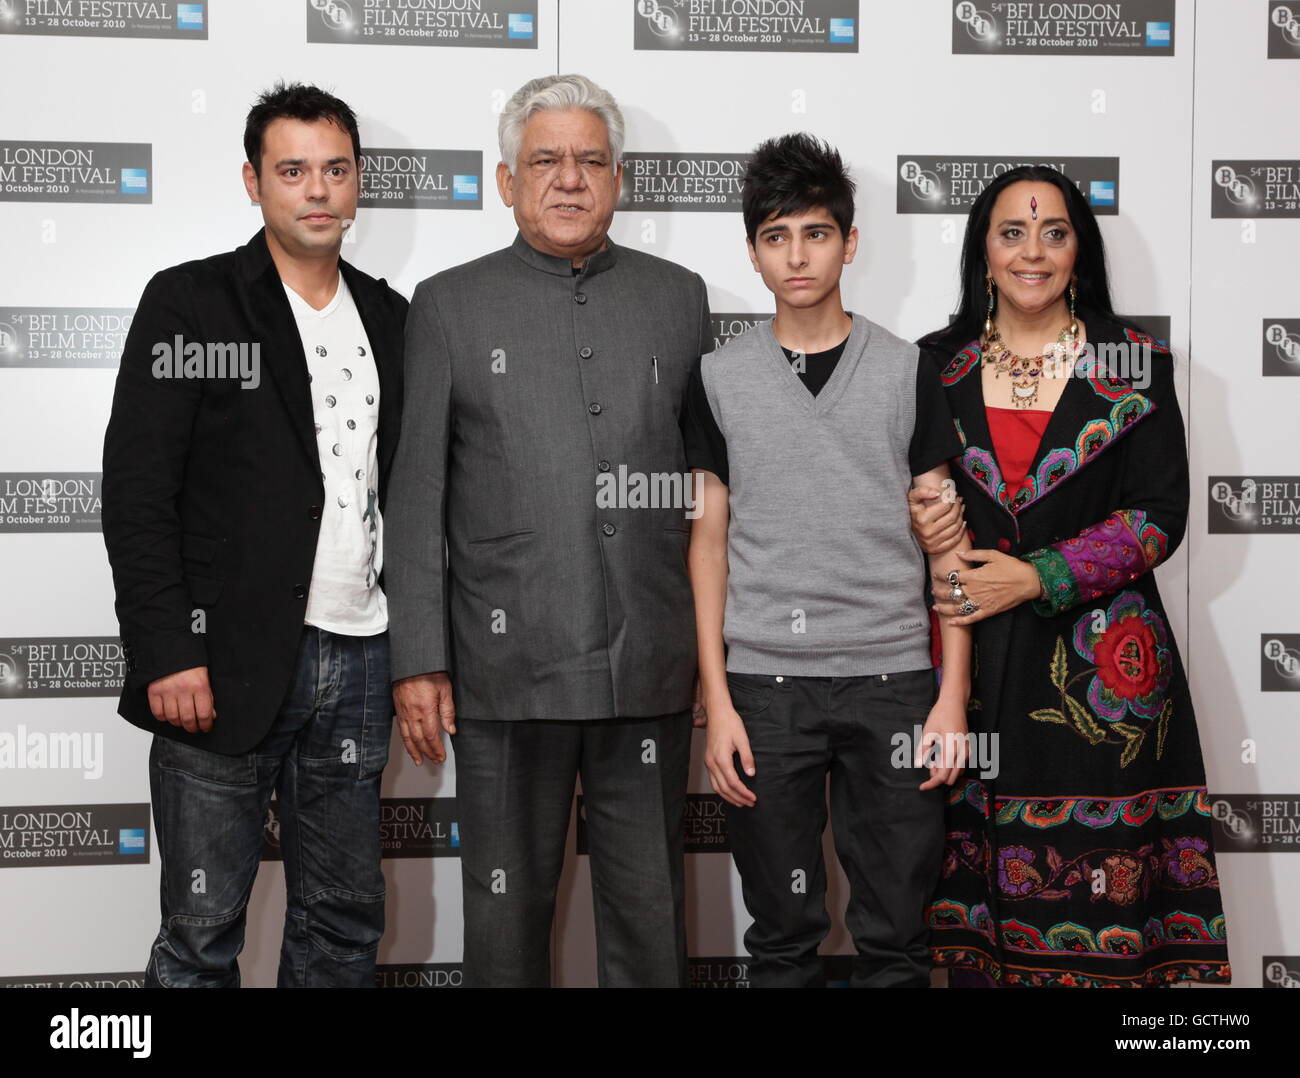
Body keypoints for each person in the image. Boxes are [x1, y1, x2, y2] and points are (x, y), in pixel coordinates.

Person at [384, 74, 711, 988]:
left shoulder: (678, 298)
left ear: (620, 179)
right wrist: (420, 658)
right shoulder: (448, 306)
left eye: (590, 160)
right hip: (503, 677)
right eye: (546, 160)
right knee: (502, 931)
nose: (569, 179)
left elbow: (707, 495)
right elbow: (415, 497)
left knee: (652, 932)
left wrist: (708, 657)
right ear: (504, 181)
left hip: (649, 669)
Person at [101, 82, 407, 987]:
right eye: (293, 170)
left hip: (359, 661)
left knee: (344, 925)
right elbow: (138, 492)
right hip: (216, 663)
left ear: (358, 183)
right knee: (202, 934)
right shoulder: (192, 303)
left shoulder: (392, 317)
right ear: (254, 181)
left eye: (336, 169)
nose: (317, 189)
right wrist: (166, 651)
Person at [910, 164, 1231, 987]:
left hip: (1105, 684)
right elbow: (915, 502)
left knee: (1104, 921)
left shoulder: (1135, 363)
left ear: (1079, 251)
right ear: (983, 253)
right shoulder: (932, 367)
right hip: (973, 672)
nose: (1033, 252)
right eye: (1011, 233)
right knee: (980, 931)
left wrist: (1034, 576)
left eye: (1054, 232)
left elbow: (1159, 515)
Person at [682, 132, 972, 988]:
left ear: (849, 242)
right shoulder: (718, 378)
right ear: (752, 252)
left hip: (893, 683)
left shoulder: (909, 370)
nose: (797, 254)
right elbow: (707, 542)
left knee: (896, 939)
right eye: (776, 236)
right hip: (766, 691)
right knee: (780, 938)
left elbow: (946, 541)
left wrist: (952, 693)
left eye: (815, 232)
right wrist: (718, 696)